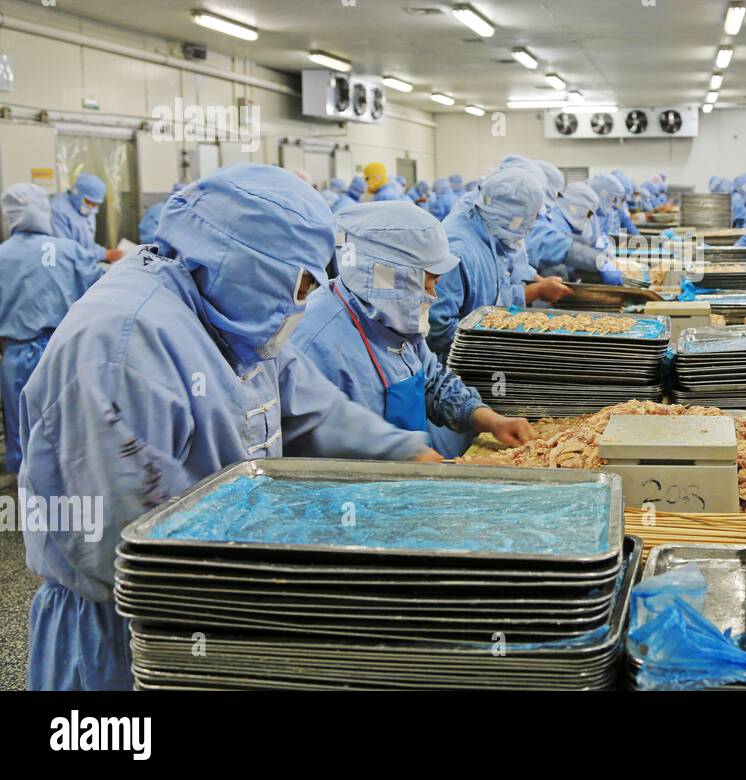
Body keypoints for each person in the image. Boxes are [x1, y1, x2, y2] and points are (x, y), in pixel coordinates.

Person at [19, 164, 442, 690]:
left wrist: (410, 457)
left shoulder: (234, 315)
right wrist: (275, 591)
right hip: (127, 626)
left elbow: (310, 407)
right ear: (249, 264)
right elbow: (127, 539)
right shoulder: (123, 345)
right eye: (302, 282)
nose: (306, 302)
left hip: (210, 599)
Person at [293, 201, 535, 459]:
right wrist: (403, 454)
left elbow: (432, 382)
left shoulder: (389, 315)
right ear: (391, 277)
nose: (433, 295)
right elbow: (320, 440)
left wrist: (489, 420)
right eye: (428, 284)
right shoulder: (315, 341)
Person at [0, 185, 104, 473]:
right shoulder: (70, 251)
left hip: (16, 356)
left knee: (22, 429)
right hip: (64, 352)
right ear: (45, 212)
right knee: (69, 426)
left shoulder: (2, 256)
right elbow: (102, 294)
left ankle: (25, 494)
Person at [425, 168, 570, 362]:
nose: (528, 228)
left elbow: (492, 295)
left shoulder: (490, 236)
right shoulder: (459, 250)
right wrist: (493, 347)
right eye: (527, 220)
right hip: (457, 365)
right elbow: (437, 328)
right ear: (513, 216)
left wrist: (534, 290)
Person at [526, 182, 619, 282]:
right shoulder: (555, 221)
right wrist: (599, 261)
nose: (588, 219)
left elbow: (569, 241)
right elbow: (558, 247)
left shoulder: (563, 220)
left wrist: (590, 245)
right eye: (588, 214)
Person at [50, 173, 123, 263]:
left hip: (83, 265)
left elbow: (86, 244)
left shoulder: (86, 209)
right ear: (76, 192)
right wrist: (103, 254)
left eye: (96, 204)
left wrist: (105, 252)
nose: (92, 207)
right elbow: (65, 251)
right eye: (89, 202)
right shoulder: (58, 210)